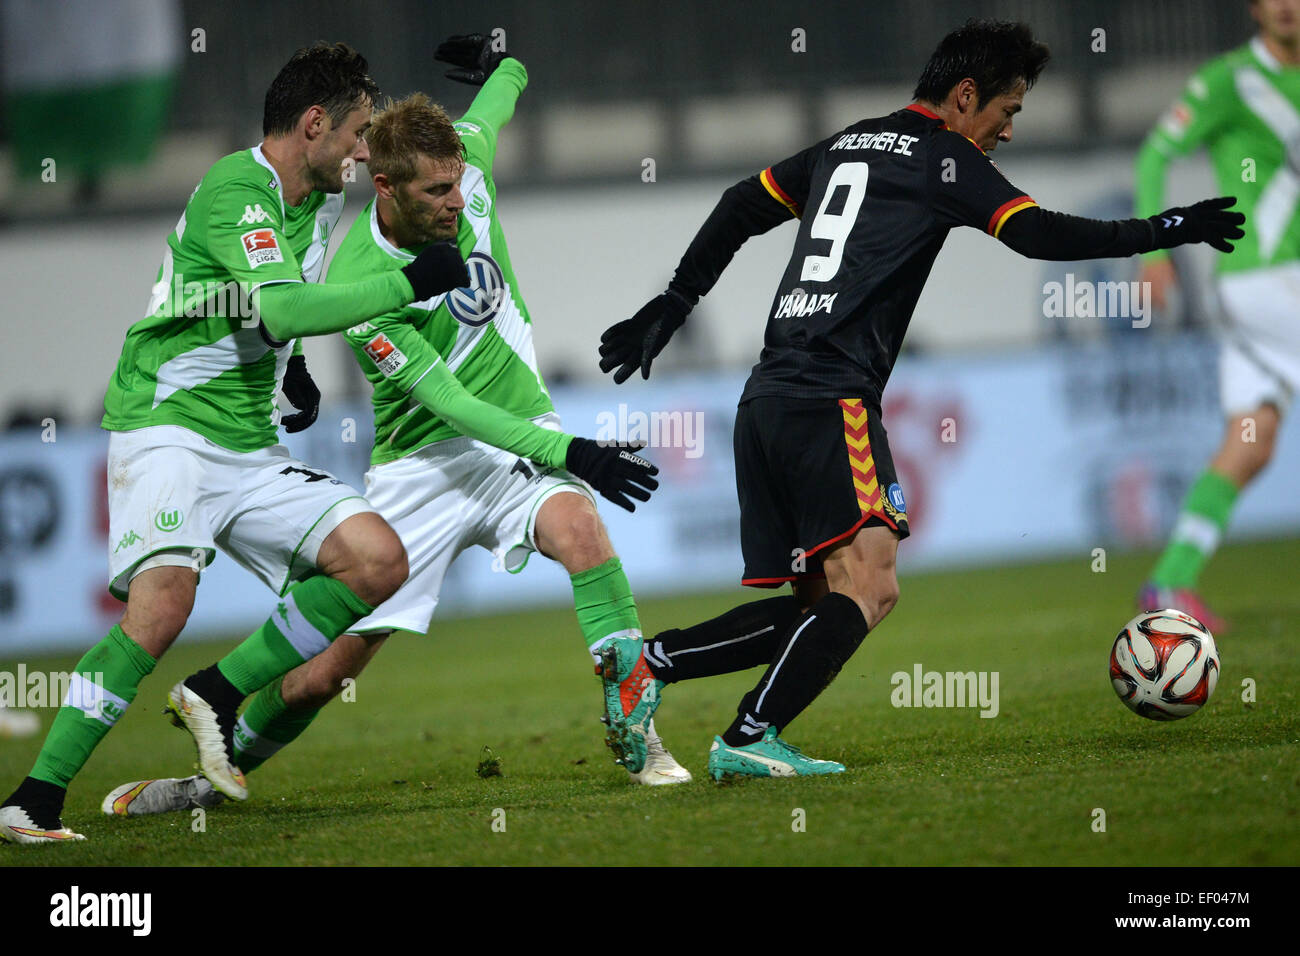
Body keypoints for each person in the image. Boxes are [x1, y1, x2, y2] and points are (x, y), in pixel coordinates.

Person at [597, 19, 1246, 780]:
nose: (1004, 132)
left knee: (817, 606)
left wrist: (674, 304)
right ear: (965, 95)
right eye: (1005, 113)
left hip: (767, 398)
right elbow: (1036, 234)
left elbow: (744, 202)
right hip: (831, 397)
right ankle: (745, 734)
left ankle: (649, 663)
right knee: (871, 584)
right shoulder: (944, 156)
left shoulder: (848, 143)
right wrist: (1161, 229)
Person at [100, 35, 681, 821]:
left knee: (580, 529)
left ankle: (641, 737)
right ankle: (207, 778)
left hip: (515, 433)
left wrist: (502, 65)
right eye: (436, 190)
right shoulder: (357, 282)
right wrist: (573, 448)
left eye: (458, 184)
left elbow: (495, 109)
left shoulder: (462, 170)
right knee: (321, 678)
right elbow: (446, 402)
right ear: (386, 188)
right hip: (422, 467)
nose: (457, 200)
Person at [0, 42, 474, 844]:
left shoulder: (318, 199)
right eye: (357, 133)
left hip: (247, 441)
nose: (365, 152)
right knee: (161, 611)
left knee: (377, 561)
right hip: (171, 426)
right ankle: (31, 801)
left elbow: (269, 308)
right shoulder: (236, 188)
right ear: (314, 124)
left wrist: (288, 371)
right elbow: (284, 307)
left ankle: (217, 693)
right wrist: (411, 281)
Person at [1134, 0, 1300, 632]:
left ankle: (1170, 581)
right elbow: (1155, 155)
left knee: (1251, 441)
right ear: (1255, 8)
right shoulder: (1229, 80)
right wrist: (1153, 251)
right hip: (1262, 278)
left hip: (1270, 289)